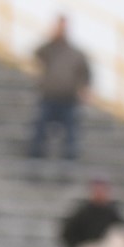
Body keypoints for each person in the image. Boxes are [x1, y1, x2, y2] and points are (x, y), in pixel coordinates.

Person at [28, 15, 89, 162]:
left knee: (71, 135)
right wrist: (51, 38)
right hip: (48, 98)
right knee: (39, 130)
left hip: (68, 100)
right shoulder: (50, 49)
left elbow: (86, 74)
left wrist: (84, 90)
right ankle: (35, 160)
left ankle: (69, 163)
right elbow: (36, 54)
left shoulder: (76, 54)